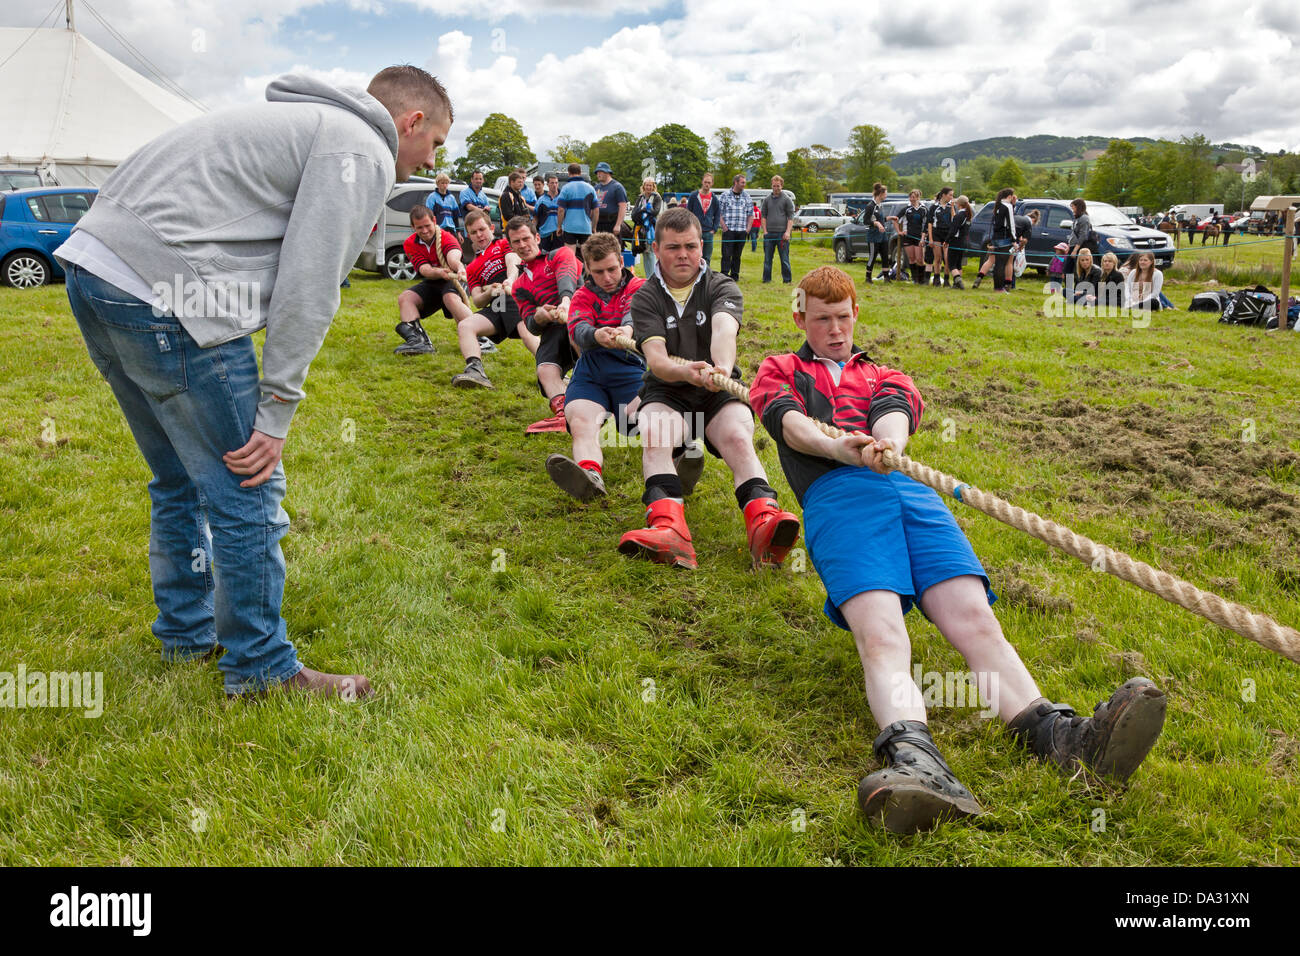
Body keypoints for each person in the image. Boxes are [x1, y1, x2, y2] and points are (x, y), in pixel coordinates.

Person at [55, 66, 455, 698]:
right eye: (434, 144)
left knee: (180, 478)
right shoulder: (360, 149)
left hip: (92, 266)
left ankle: (186, 633)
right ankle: (261, 667)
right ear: (410, 123)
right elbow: (311, 282)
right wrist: (276, 412)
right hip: (165, 287)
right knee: (248, 485)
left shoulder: (302, 123)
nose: (431, 161)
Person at [748, 265, 1167, 833]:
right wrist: (841, 448)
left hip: (910, 491)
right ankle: (916, 764)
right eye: (822, 319)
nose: (836, 329)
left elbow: (895, 413)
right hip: (839, 495)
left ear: (856, 314)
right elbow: (792, 426)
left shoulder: (884, 372)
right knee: (882, 631)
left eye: (844, 316)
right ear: (800, 317)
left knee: (976, 620)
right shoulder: (781, 368)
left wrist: (886, 444)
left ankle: (1063, 739)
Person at [620, 206, 799, 570]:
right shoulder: (644, 296)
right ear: (656, 249)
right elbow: (656, 359)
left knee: (736, 436)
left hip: (718, 387)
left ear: (703, 246)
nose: (683, 254)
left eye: (690, 245)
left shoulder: (722, 285)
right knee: (655, 434)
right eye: (672, 248)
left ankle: (764, 525)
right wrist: (687, 374)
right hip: (667, 389)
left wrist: (719, 369)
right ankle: (670, 530)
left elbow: (723, 330)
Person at [546, 232, 654, 498]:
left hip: (630, 368)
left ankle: (679, 457)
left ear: (621, 260)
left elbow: (636, 313)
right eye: (598, 272)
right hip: (590, 372)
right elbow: (578, 329)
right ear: (587, 270)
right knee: (581, 421)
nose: (606, 278)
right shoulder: (582, 295)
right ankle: (589, 476)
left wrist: (627, 330)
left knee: (646, 418)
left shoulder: (639, 286)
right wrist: (596, 335)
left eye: (612, 269)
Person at [448, 207, 540, 388]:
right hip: (497, 304)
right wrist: (489, 292)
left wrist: (510, 279)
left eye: (482, 229)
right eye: (473, 232)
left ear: (491, 228)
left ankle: (554, 371)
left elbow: (513, 261)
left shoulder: (504, 244)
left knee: (525, 331)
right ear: (469, 236)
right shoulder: (472, 266)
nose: (479, 235)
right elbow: (477, 300)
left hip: (515, 295)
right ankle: (475, 371)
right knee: (465, 325)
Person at [508, 215, 581, 433]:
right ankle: (563, 414)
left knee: (576, 336)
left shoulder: (559, 254)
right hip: (553, 327)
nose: (522, 245)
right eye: (516, 242)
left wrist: (566, 302)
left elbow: (567, 277)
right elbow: (531, 325)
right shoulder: (519, 286)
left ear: (537, 238)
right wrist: (540, 316)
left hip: (582, 315)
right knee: (545, 368)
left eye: (526, 239)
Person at [392, 204, 470, 356]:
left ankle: (480, 338)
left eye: (427, 225)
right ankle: (419, 341)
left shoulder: (446, 236)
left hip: (453, 279)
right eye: (419, 227)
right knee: (405, 298)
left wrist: (459, 267)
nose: (425, 231)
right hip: (434, 279)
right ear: (412, 227)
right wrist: (439, 272)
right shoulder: (409, 243)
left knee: (450, 297)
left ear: (434, 220)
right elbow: (424, 269)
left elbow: (453, 256)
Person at [760, 175, 795, 284]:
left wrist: (787, 232)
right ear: (771, 186)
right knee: (767, 259)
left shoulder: (787, 200)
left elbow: (790, 217)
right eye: (774, 186)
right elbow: (763, 216)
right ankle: (766, 279)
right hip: (769, 234)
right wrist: (765, 231)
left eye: (778, 186)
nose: (776, 188)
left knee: (784, 259)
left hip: (782, 235)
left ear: (782, 186)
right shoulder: (766, 200)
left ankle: (787, 280)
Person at [556, 162, 597, 255]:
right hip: (585, 227)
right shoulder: (590, 188)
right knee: (587, 258)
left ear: (569, 173)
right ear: (580, 172)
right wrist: (594, 227)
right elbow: (596, 210)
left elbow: (561, 210)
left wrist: (559, 226)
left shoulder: (565, 188)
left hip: (570, 228)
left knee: (570, 257)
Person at [717, 173, 751, 282]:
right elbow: (719, 213)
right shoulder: (724, 195)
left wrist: (747, 230)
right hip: (729, 230)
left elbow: (750, 214)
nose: (744, 185)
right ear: (735, 182)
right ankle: (724, 274)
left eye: (745, 183)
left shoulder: (747, 196)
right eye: (742, 183)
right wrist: (724, 227)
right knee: (726, 254)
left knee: (737, 255)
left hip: (741, 231)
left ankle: (735, 275)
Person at [685, 172, 722, 266]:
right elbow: (688, 212)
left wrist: (714, 229)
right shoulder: (694, 196)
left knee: (707, 257)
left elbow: (717, 214)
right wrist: (690, 227)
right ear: (702, 182)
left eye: (709, 182)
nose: (707, 184)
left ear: (712, 183)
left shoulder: (714, 198)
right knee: (694, 255)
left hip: (709, 232)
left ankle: (706, 277)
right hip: (695, 231)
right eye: (705, 182)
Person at [631, 177, 663, 278]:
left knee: (652, 253)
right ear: (643, 186)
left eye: (650, 185)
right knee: (644, 252)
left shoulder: (657, 197)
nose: (648, 187)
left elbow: (655, 212)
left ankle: (655, 278)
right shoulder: (640, 198)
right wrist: (643, 211)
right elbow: (633, 215)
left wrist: (642, 211)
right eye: (646, 185)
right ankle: (648, 278)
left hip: (652, 229)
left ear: (653, 186)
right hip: (641, 230)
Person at [861, 183, 890, 284]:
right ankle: (868, 278)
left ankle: (887, 278)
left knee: (885, 256)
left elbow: (880, 220)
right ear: (880, 194)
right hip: (873, 236)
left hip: (883, 236)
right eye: (885, 194)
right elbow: (865, 221)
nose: (886, 196)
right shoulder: (870, 206)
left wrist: (889, 218)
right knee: (872, 256)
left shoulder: (880, 205)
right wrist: (876, 223)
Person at [926, 187, 954, 286]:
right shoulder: (934, 207)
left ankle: (946, 280)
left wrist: (953, 207)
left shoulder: (951, 206)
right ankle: (936, 278)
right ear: (943, 195)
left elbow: (954, 220)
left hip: (947, 234)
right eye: (950, 195)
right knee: (938, 258)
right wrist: (930, 238)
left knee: (947, 258)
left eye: (952, 195)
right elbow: (929, 223)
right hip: (936, 233)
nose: (952, 197)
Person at [898, 190, 928, 285]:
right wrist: (899, 231)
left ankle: (921, 279)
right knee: (911, 258)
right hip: (908, 237)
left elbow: (927, 224)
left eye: (914, 197)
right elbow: (896, 219)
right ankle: (914, 279)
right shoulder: (907, 209)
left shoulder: (924, 209)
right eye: (910, 197)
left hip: (919, 237)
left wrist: (924, 236)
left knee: (920, 259)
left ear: (918, 198)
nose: (912, 199)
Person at [591, 161, 628, 238]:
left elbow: (623, 206)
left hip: (611, 223)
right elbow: (593, 207)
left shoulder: (617, 187)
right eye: (597, 172)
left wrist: (618, 225)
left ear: (607, 172)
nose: (598, 174)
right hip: (598, 224)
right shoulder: (596, 188)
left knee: (611, 249)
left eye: (600, 172)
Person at [946, 195, 974, 289]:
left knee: (952, 264)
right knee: (958, 264)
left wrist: (947, 241)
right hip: (963, 241)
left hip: (955, 242)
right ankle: (956, 284)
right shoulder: (968, 215)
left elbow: (953, 231)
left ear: (959, 204)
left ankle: (959, 282)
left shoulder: (959, 216)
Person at [1066, 198, 1095, 274]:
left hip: (1079, 248)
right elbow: (1073, 234)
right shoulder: (1077, 218)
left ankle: (1078, 285)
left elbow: (1083, 235)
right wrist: (1069, 246)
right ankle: (1068, 286)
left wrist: (1075, 250)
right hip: (1072, 246)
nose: (1072, 209)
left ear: (1078, 207)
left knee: (1077, 270)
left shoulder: (1084, 218)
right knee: (1068, 270)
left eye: (1073, 207)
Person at [535, 172, 562, 252]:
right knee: (545, 259)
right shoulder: (541, 199)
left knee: (558, 258)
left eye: (556, 183)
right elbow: (536, 217)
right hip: (545, 234)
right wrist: (533, 231)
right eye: (552, 183)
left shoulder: (563, 198)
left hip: (559, 234)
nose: (554, 185)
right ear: (547, 184)